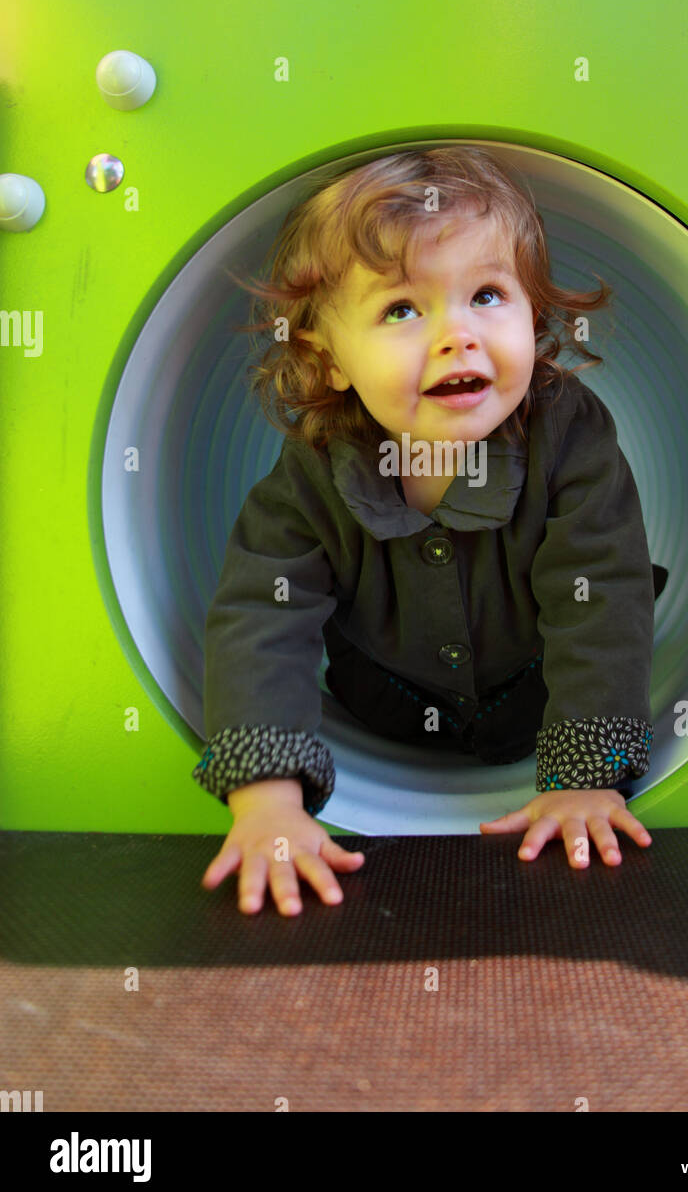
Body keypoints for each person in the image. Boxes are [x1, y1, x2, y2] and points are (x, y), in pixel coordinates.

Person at [197, 145, 659, 917]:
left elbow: (601, 595)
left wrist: (587, 779)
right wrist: (268, 802)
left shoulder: (569, 435)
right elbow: (260, 618)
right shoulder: (312, 474)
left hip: (538, 697)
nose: (458, 336)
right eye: (402, 310)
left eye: (487, 295)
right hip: (384, 707)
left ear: (533, 312)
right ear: (329, 357)